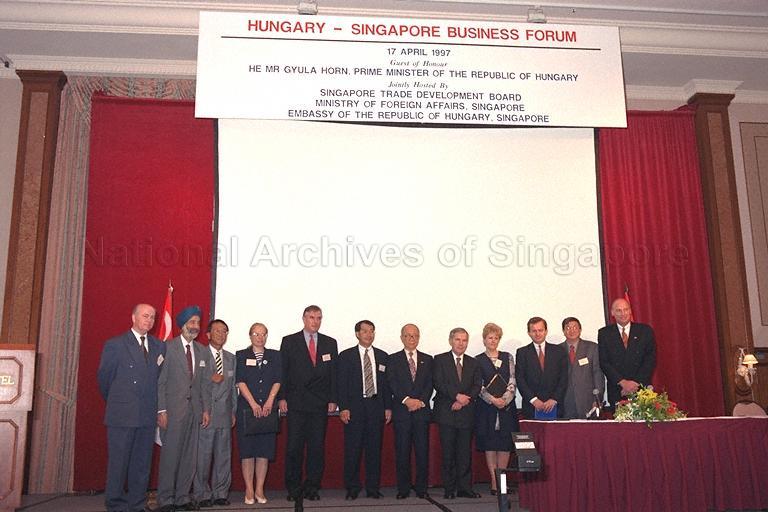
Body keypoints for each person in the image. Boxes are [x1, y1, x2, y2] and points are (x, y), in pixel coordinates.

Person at [97, 304, 166, 512]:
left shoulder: (158, 346)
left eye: (153, 317)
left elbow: (156, 379)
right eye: (145, 316)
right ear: (133, 317)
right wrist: (121, 402)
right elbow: (104, 379)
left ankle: (137, 503)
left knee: (142, 465)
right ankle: (116, 504)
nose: (149, 320)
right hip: (122, 415)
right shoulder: (115, 344)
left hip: (146, 414)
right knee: (119, 464)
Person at [278, 305, 338, 501]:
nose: (315, 321)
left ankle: (312, 487)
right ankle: (293, 488)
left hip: (319, 404)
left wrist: (333, 399)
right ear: (303, 318)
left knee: (316, 448)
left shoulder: (330, 343)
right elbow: (283, 371)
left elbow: (333, 375)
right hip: (296, 402)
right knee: (294, 447)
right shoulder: (289, 341)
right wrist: (282, 397)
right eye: (311, 317)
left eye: (319, 318)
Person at [156, 305, 212, 512]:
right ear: (182, 325)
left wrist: (206, 409)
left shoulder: (202, 350)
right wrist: (161, 410)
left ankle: (181, 497)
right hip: (172, 412)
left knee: (189, 457)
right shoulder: (167, 347)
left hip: (194, 412)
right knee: (170, 456)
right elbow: (160, 382)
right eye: (191, 322)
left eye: (198, 322)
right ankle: (166, 499)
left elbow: (204, 384)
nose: (195, 326)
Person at [337, 320, 392, 500]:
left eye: (372, 331)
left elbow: (386, 386)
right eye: (365, 331)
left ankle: (372, 488)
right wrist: (343, 407)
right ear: (357, 334)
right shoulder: (346, 356)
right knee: (353, 450)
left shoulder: (383, 356)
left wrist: (388, 407)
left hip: (376, 407)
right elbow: (341, 384)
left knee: (374, 451)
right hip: (354, 408)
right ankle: (352, 488)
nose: (369, 334)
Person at [433, 327, 482, 500]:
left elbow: (477, 385)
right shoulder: (439, 360)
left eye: (464, 340)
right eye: (458, 340)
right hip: (446, 412)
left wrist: (463, 400)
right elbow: (438, 382)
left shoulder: (473, 362)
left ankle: (464, 488)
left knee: (464, 453)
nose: (461, 343)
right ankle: (449, 488)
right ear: (450, 340)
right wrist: (456, 396)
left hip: (466, 413)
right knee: (448, 453)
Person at [236, 322, 282, 505]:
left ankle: (259, 488)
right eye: (256, 334)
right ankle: (248, 488)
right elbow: (240, 381)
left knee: (264, 451)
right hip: (247, 409)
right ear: (250, 336)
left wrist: (270, 401)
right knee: (248, 452)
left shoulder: (275, 355)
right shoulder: (241, 355)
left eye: (263, 334)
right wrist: (254, 403)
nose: (260, 337)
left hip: (268, 410)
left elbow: (278, 379)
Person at [386, 323, 433, 499]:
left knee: (422, 452)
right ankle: (403, 488)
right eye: (407, 335)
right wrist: (407, 400)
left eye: (414, 336)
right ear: (402, 338)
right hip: (402, 412)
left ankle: (421, 488)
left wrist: (419, 401)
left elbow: (430, 384)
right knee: (402, 452)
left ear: (419, 338)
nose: (411, 339)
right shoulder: (393, 359)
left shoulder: (428, 359)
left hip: (421, 412)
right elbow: (392, 383)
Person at [194, 319, 237, 507]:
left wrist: (233, 411)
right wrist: (203, 409)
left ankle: (220, 492)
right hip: (207, 414)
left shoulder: (231, 358)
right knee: (203, 457)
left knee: (223, 456)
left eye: (225, 331)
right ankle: (202, 494)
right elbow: (195, 386)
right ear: (208, 334)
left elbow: (233, 389)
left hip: (225, 415)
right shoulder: (199, 354)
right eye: (217, 331)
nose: (221, 334)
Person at [474, 322, 518, 495]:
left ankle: (503, 482)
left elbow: (513, 380)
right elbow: (478, 385)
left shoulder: (508, 357)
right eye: (490, 338)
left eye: (496, 338)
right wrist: (493, 400)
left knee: (505, 445)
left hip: (506, 408)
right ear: (484, 340)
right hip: (487, 409)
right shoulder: (477, 360)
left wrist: (505, 400)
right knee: (490, 445)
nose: (493, 341)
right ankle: (494, 482)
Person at [598, 298, 657, 410]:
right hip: (618, 389)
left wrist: (635, 383)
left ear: (630, 311)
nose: (623, 313)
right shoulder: (604, 333)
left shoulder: (645, 331)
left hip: (641, 388)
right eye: (618, 310)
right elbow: (604, 362)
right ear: (612, 313)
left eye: (625, 309)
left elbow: (650, 360)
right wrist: (623, 383)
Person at [515, 317, 568, 420]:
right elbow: (520, 379)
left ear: (546, 331)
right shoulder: (522, 353)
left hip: (555, 405)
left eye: (540, 330)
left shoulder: (558, 351)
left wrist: (554, 399)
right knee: (535, 436)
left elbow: (564, 378)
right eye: (534, 331)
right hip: (532, 406)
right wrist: (533, 400)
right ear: (529, 333)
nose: (537, 334)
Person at [559, 317, 605, 419]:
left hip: (588, 401)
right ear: (563, 331)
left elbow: (598, 375)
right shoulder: (557, 350)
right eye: (568, 328)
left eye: (575, 327)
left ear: (580, 330)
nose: (571, 330)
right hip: (565, 402)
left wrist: (597, 399)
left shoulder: (592, 348)